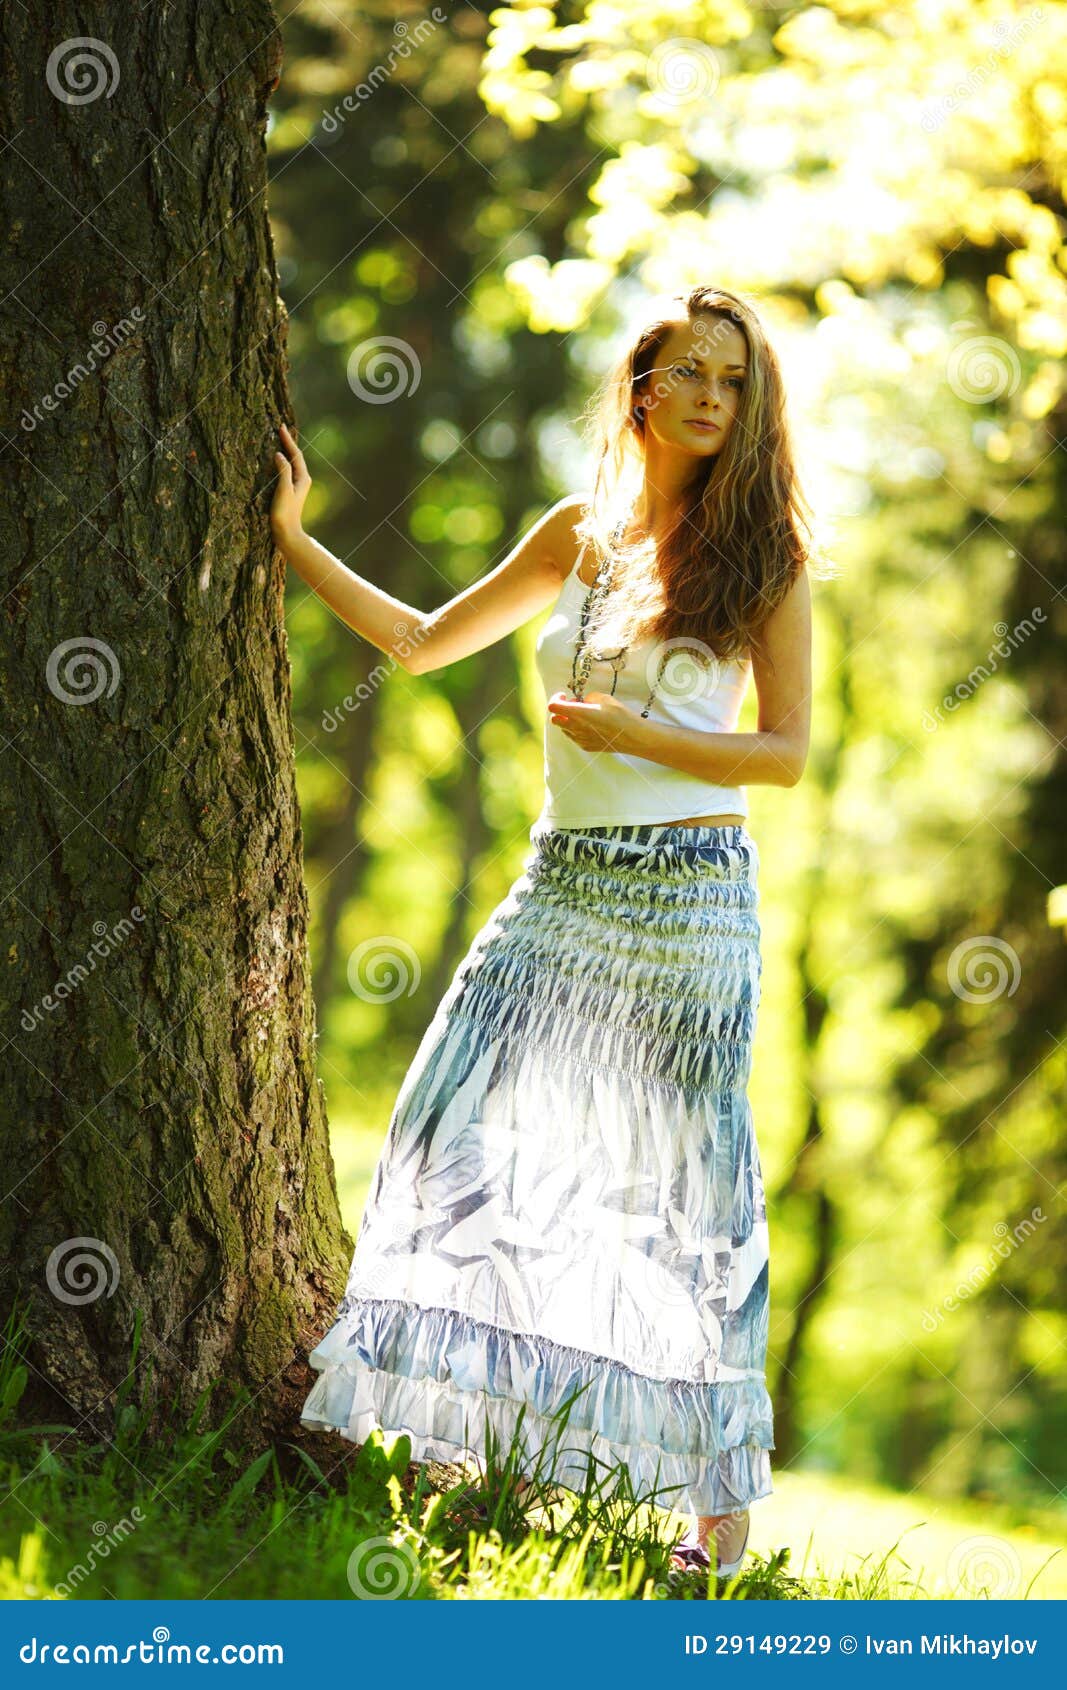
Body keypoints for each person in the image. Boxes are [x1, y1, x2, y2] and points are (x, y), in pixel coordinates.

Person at [271, 283, 813, 1580]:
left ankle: (715, 1536)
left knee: (689, 1184)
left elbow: (785, 754)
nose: (707, 395)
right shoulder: (579, 534)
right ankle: (465, 1443)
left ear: (751, 406)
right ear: (640, 386)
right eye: (686, 369)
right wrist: (288, 538)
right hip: (563, 879)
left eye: (732, 380)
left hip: (689, 894)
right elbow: (417, 643)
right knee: (450, 1125)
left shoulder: (768, 559)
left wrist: (640, 735)